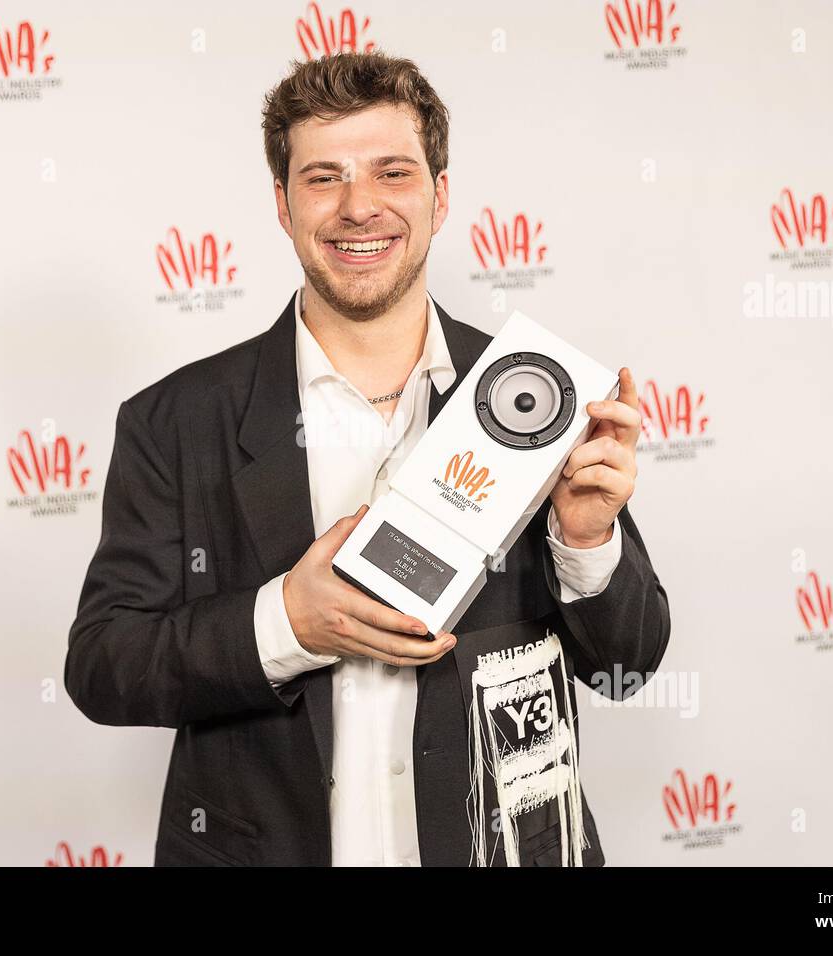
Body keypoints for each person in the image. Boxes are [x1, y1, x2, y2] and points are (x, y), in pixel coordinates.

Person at [65, 50, 670, 866]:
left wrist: (587, 542)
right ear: (282, 205)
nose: (360, 208)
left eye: (393, 172)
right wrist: (286, 622)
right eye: (324, 179)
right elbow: (104, 666)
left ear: (439, 194)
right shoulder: (175, 420)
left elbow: (627, 664)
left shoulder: (532, 395)